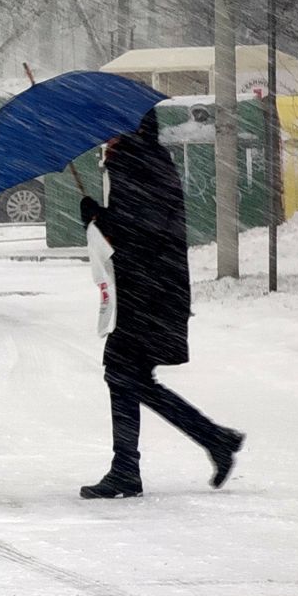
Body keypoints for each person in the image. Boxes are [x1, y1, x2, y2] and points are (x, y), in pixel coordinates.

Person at [78, 109, 244, 499]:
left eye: (110, 129)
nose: (105, 136)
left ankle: (133, 468)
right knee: (129, 377)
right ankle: (211, 440)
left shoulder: (134, 162)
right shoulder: (145, 158)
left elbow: (141, 231)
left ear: (128, 128)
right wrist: (102, 217)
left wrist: (98, 219)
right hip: (154, 290)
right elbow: (142, 225)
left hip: (148, 294)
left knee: (123, 375)